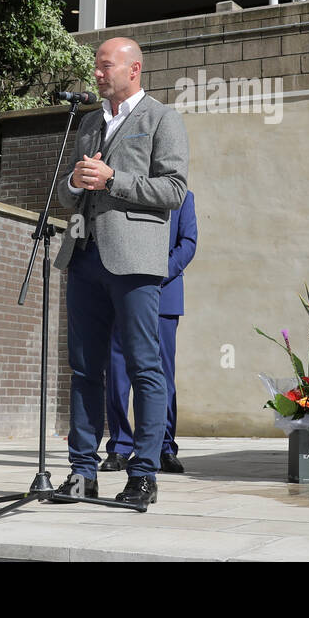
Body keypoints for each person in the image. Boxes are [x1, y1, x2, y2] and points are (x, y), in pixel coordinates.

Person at [53, 37, 189, 509]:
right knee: (85, 369)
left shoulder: (162, 119)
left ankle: (144, 473)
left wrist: (115, 180)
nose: (96, 73)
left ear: (133, 69)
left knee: (143, 366)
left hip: (134, 262)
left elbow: (173, 190)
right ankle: (81, 472)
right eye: (96, 66)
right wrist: (74, 182)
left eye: (105, 66)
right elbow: (70, 195)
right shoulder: (89, 123)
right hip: (84, 257)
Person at [102, 189, 197, 474]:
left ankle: (164, 447)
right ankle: (119, 446)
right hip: (124, 291)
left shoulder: (183, 197)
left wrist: (158, 271)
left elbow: (189, 242)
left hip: (164, 294)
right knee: (118, 372)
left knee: (163, 374)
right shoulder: (126, 190)